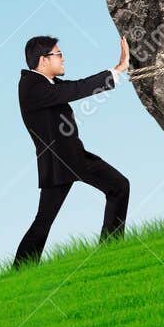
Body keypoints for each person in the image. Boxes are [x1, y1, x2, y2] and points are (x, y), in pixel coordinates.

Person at [13, 34, 133, 268]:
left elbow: (76, 86)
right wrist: (119, 68)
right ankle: (21, 270)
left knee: (117, 187)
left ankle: (110, 248)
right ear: (43, 60)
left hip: (70, 157)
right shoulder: (31, 86)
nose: (63, 59)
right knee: (118, 187)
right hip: (62, 161)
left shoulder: (46, 84)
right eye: (58, 54)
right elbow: (78, 89)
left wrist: (115, 73)